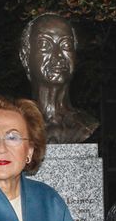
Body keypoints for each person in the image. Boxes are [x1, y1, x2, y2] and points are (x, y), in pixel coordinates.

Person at [19, 13, 99, 143]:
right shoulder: (14, 125)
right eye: (45, 45)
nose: (58, 56)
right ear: (25, 57)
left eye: (66, 45)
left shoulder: (86, 125)